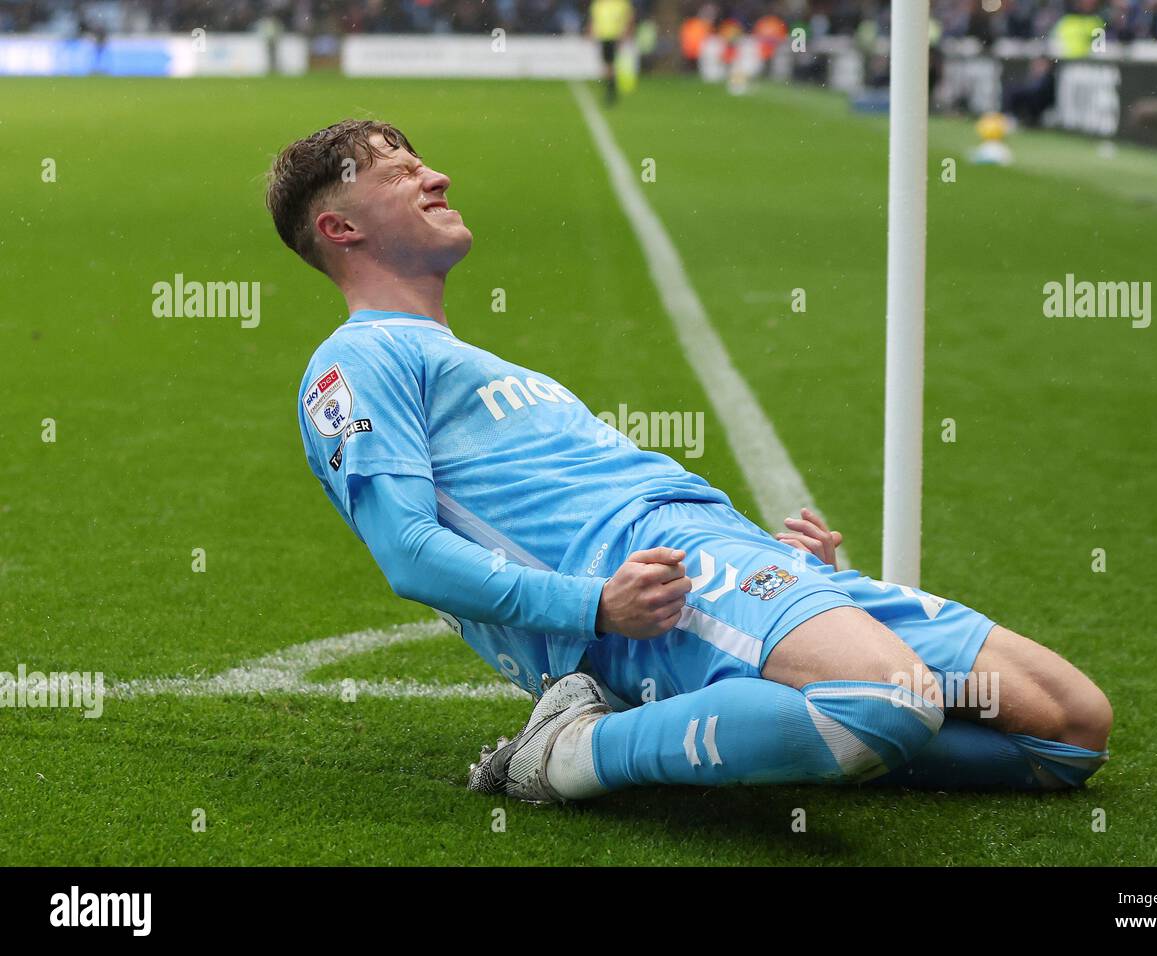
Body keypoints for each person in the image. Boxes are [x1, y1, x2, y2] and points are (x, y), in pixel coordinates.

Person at [266, 120, 1113, 805]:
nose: (436, 177)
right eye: (399, 174)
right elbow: (409, 553)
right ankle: (573, 752)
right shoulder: (356, 362)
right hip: (653, 588)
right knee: (888, 697)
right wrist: (596, 604)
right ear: (341, 228)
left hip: (730, 555)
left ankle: (790, 719)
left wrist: (777, 562)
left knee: (1068, 730)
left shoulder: (482, 363)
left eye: (424, 162)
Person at [587, 0, 635, 105]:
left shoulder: (621, 3)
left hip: (616, 37)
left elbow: (629, 19)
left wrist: (626, 34)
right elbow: (593, 20)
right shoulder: (598, 4)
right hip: (603, 37)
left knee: (612, 64)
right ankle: (611, 88)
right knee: (608, 64)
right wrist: (591, 33)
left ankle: (611, 89)